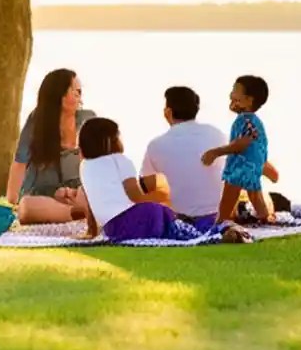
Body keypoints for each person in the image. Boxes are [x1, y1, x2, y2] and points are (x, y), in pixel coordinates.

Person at [79, 117, 250, 244]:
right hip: (141, 220)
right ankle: (220, 233)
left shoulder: (84, 166)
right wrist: (162, 206)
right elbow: (135, 196)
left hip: (113, 229)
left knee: (176, 227)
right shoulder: (120, 160)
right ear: (110, 142)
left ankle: (217, 232)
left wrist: (91, 231)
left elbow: (90, 204)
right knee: (189, 234)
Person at [7, 68, 95, 224]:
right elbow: (20, 162)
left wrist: (74, 193)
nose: (79, 96)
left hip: (77, 192)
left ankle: (80, 212)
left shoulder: (88, 119)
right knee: (26, 207)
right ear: (59, 95)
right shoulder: (37, 121)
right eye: (74, 91)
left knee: (90, 195)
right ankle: (77, 214)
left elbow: (100, 163)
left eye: (80, 91)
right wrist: (12, 203)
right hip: (45, 195)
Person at [139, 87, 229, 230]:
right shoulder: (217, 134)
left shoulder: (156, 145)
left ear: (168, 112)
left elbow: (146, 187)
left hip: (180, 222)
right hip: (217, 218)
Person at [202, 75, 274, 223]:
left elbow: (242, 144)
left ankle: (220, 223)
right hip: (252, 167)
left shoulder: (245, 120)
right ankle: (265, 218)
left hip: (240, 167)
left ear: (248, 100)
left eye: (235, 91)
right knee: (255, 195)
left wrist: (216, 152)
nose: (231, 95)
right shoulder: (253, 121)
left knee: (229, 195)